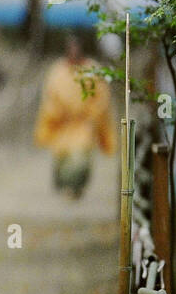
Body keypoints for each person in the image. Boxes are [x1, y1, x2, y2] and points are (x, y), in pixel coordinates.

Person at [33, 35, 116, 199]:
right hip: (63, 124)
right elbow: (50, 97)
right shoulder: (58, 70)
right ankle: (65, 187)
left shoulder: (92, 69)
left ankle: (77, 188)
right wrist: (59, 112)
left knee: (80, 159)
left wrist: (90, 114)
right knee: (63, 160)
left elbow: (102, 99)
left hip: (84, 123)